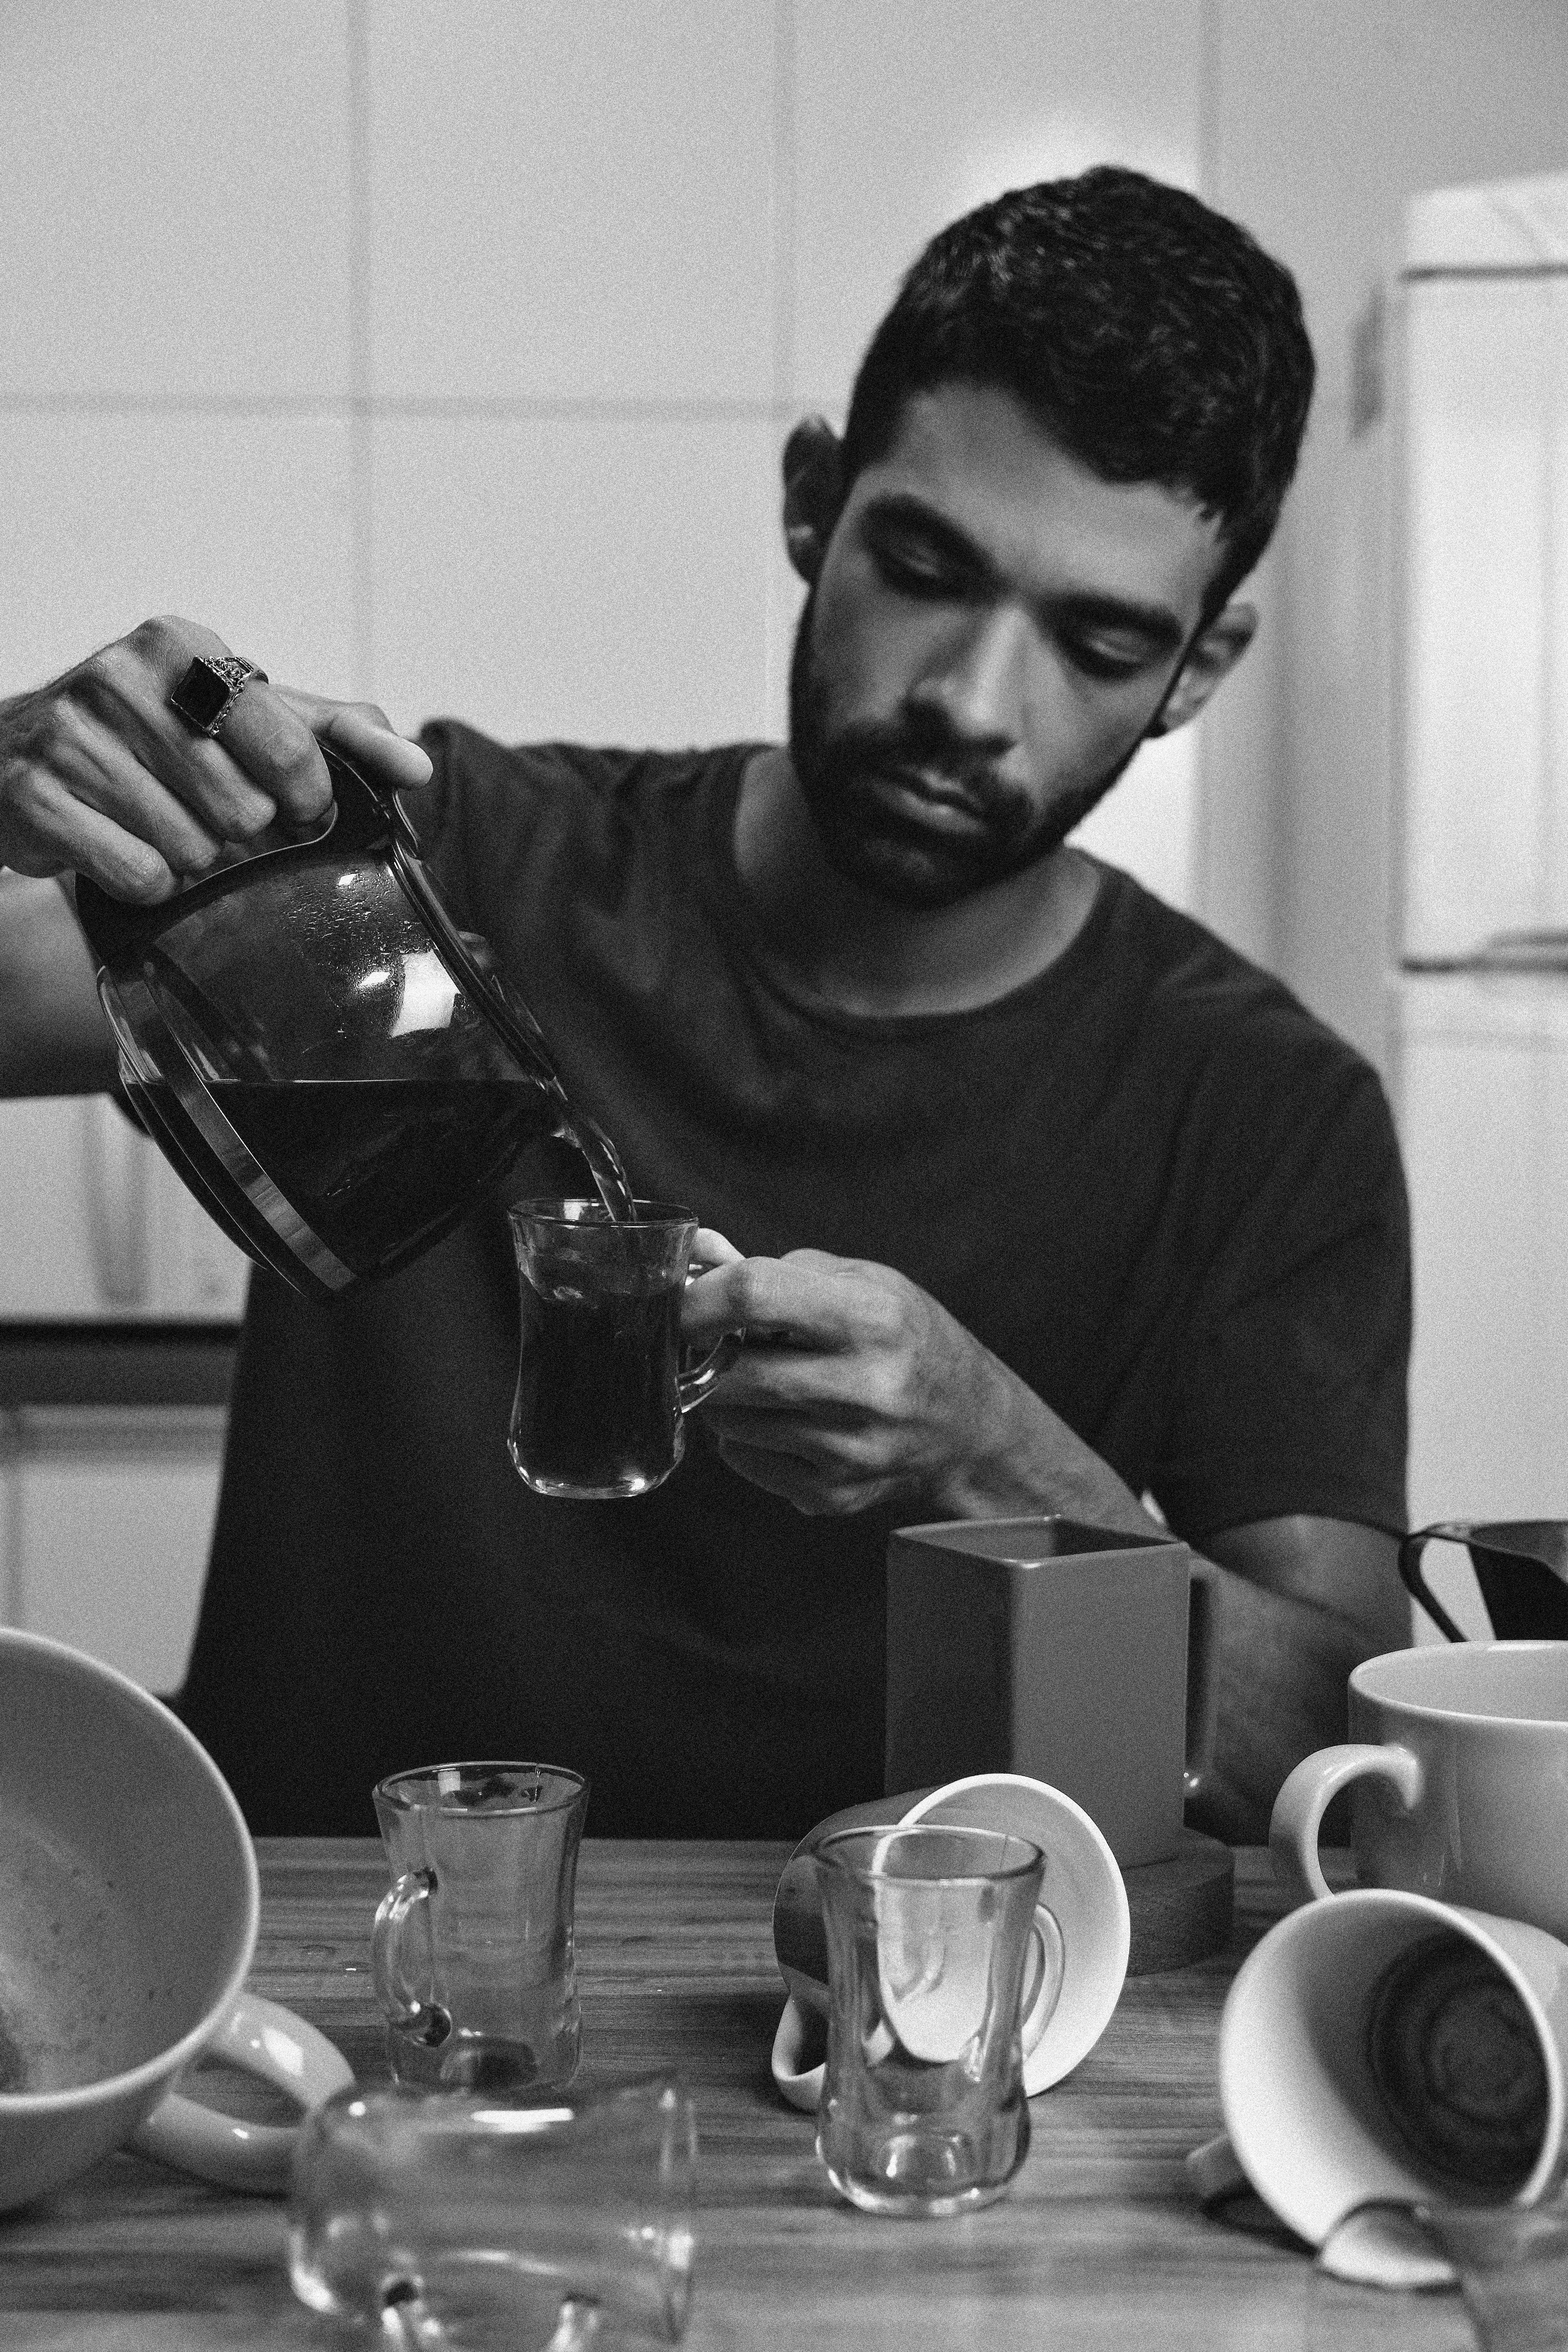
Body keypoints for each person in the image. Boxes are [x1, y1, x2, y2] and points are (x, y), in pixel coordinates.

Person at [0, 168, 1410, 1844]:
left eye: (1097, 642)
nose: (970, 700)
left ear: (1202, 664)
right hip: (312, 2004)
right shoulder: (444, 868)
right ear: (815, 502)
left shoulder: (1257, 1108)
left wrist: (998, 1458)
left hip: (887, 2036)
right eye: (924, 564)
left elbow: (1336, 1762)